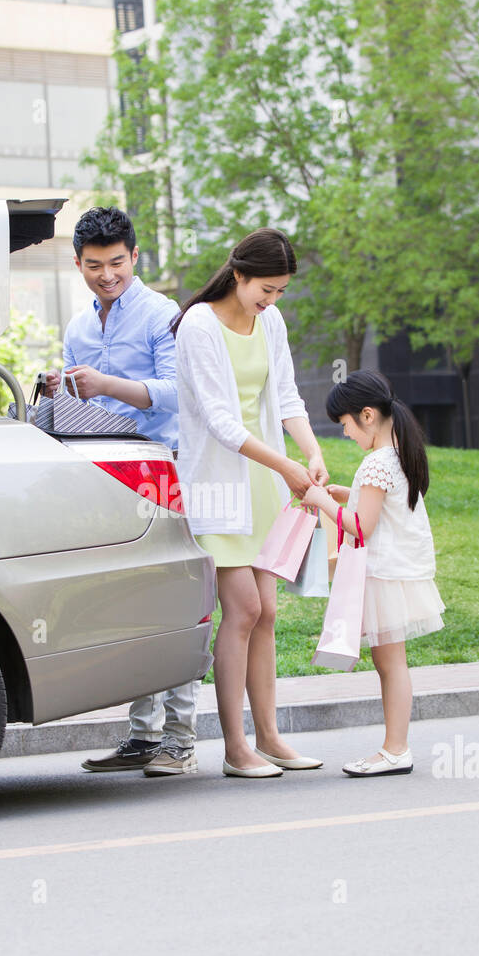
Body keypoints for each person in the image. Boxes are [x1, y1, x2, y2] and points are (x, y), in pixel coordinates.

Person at [45, 206, 200, 777]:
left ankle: (179, 740)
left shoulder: (164, 316)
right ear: (78, 264)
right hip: (102, 475)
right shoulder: (78, 327)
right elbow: (75, 402)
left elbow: (179, 394)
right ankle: (140, 735)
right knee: (130, 603)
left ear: (135, 256)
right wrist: (60, 387)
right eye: (92, 266)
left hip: (162, 471)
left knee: (172, 601)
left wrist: (109, 384)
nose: (105, 275)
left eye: (115, 263)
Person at [173, 228, 328, 778]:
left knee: (267, 614)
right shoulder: (197, 325)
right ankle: (236, 749)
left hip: (262, 484)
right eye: (267, 289)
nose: (272, 301)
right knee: (243, 610)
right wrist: (284, 465)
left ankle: (270, 737)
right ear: (238, 275)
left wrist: (309, 450)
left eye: (281, 291)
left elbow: (285, 395)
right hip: (217, 486)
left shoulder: (271, 322)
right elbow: (219, 420)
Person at [302, 370, 446, 777]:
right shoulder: (398, 454)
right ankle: (395, 747)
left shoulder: (379, 462)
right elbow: (381, 507)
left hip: (383, 575)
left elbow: (361, 526)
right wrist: (350, 494)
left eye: (345, 424)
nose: (345, 433)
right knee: (390, 663)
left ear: (366, 415)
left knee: (391, 665)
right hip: (394, 573)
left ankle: (396, 749)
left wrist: (322, 501)